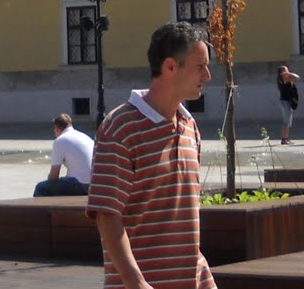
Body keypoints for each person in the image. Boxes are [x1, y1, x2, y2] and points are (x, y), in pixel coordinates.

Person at [87, 20, 216, 289]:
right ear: (170, 66)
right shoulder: (120, 128)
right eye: (200, 66)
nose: (208, 75)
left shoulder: (190, 126)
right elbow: (106, 215)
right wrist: (136, 283)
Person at [34, 113, 94, 196]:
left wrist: (49, 182)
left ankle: (41, 209)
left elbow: (54, 175)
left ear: (57, 128)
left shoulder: (60, 140)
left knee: (40, 188)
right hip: (94, 184)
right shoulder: (84, 136)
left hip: (80, 184)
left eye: (54, 130)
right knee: (63, 182)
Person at [276, 65, 301, 145]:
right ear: (283, 71)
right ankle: (284, 139)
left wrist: (287, 73)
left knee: (288, 121)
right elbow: (297, 77)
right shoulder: (283, 78)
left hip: (287, 102)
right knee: (286, 121)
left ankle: (286, 138)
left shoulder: (284, 78)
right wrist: (287, 73)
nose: (288, 72)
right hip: (285, 102)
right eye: (286, 70)